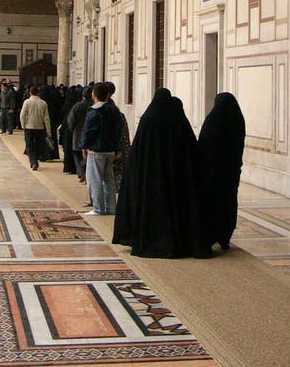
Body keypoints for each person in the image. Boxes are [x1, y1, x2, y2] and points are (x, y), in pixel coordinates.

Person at [113, 88, 212, 258]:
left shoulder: (147, 120)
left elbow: (136, 156)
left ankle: (150, 240)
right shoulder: (179, 121)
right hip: (176, 179)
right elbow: (191, 154)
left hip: (149, 181)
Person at [198, 92, 246, 250]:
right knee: (228, 203)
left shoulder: (212, 121)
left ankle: (211, 235)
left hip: (211, 172)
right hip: (231, 172)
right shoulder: (237, 120)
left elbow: (203, 144)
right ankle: (225, 236)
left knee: (212, 203)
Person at [80, 82, 119, 215]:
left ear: (93, 95)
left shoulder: (94, 111)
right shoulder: (114, 110)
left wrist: (84, 146)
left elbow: (88, 131)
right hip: (111, 150)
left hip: (96, 150)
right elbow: (119, 130)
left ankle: (98, 208)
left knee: (94, 179)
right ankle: (112, 207)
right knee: (109, 180)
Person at [105, 81, 130, 191]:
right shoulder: (117, 112)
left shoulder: (100, 112)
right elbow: (124, 134)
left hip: (105, 148)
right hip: (115, 147)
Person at [20, 86, 51, 170]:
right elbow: (46, 118)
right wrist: (48, 130)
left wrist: (23, 126)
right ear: (38, 93)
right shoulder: (43, 103)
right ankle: (36, 159)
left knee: (29, 145)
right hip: (40, 127)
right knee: (38, 145)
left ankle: (33, 162)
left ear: (30, 93)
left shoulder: (27, 102)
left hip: (29, 127)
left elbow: (22, 115)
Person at [68, 85, 93, 182]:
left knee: (77, 154)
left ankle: (81, 172)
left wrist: (72, 129)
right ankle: (86, 173)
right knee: (89, 155)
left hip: (78, 134)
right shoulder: (93, 106)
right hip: (91, 135)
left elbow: (71, 121)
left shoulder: (77, 106)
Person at [59, 86, 79, 174]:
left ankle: (68, 167)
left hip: (68, 129)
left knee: (68, 148)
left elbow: (63, 115)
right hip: (77, 130)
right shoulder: (78, 105)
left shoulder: (68, 105)